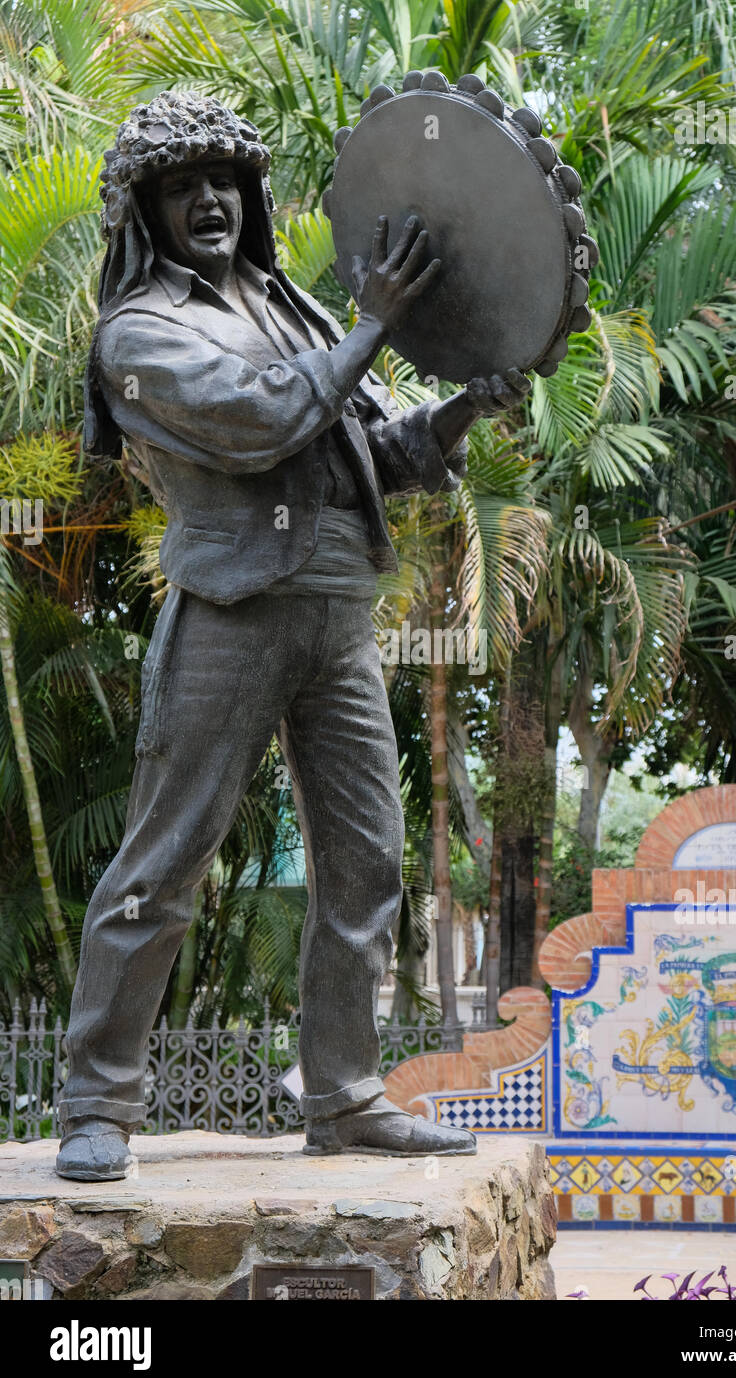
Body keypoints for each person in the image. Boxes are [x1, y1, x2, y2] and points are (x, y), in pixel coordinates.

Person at [56, 91, 531, 1179]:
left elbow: (382, 450)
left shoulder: (296, 311)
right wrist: (369, 321)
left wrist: (467, 405)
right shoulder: (139, 332)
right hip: (229, 611)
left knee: (366, 859)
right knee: (163, 861)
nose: (211, 201)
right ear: (146, 210)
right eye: (183, 186)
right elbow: (269, 416)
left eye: (225, 181)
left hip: (338, 609)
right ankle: (96, 1102)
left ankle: (346, 1094)